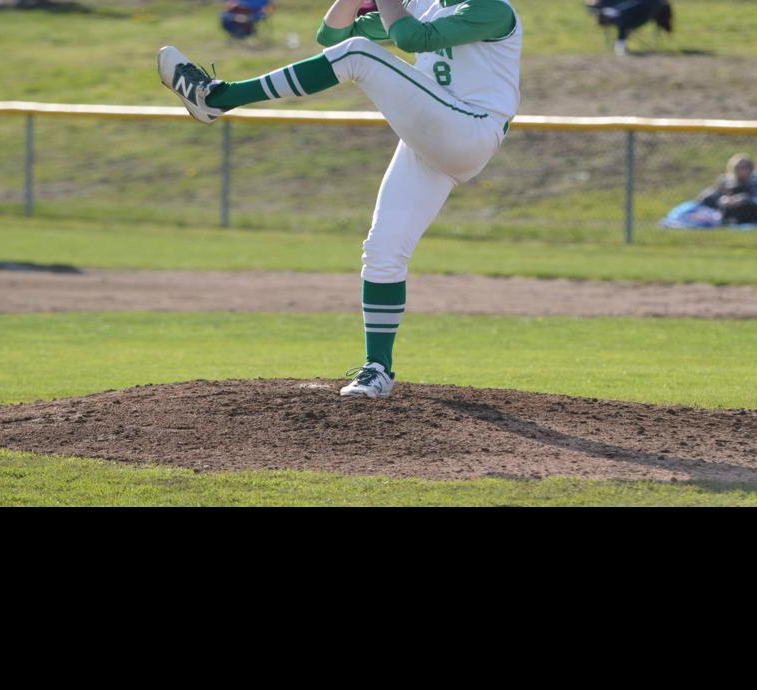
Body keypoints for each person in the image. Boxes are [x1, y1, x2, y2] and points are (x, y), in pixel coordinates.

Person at [157, 0, 521, 399]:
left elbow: (412, 38)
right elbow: (332, 36)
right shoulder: (422, 4)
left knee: (359, 57)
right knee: (382, 251)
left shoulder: (491, 9)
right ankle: (377, 368)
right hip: (432, 132)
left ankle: (219, 97)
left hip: (470, 130)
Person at [586, 0, 672, 56]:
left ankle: (620, 47)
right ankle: (620, 47)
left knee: (624, 21)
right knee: (622, 20)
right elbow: (592, 8)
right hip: (622, 16)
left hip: (636, 15)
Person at [696, 153, 757, 224]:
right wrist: (724, 200)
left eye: (743, 168)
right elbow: (714, 197)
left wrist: (739, 200)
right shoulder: (725, 181)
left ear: (750, 169)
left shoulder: (756, 182)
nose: (739, 170)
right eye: (736, 168)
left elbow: (754, 197)